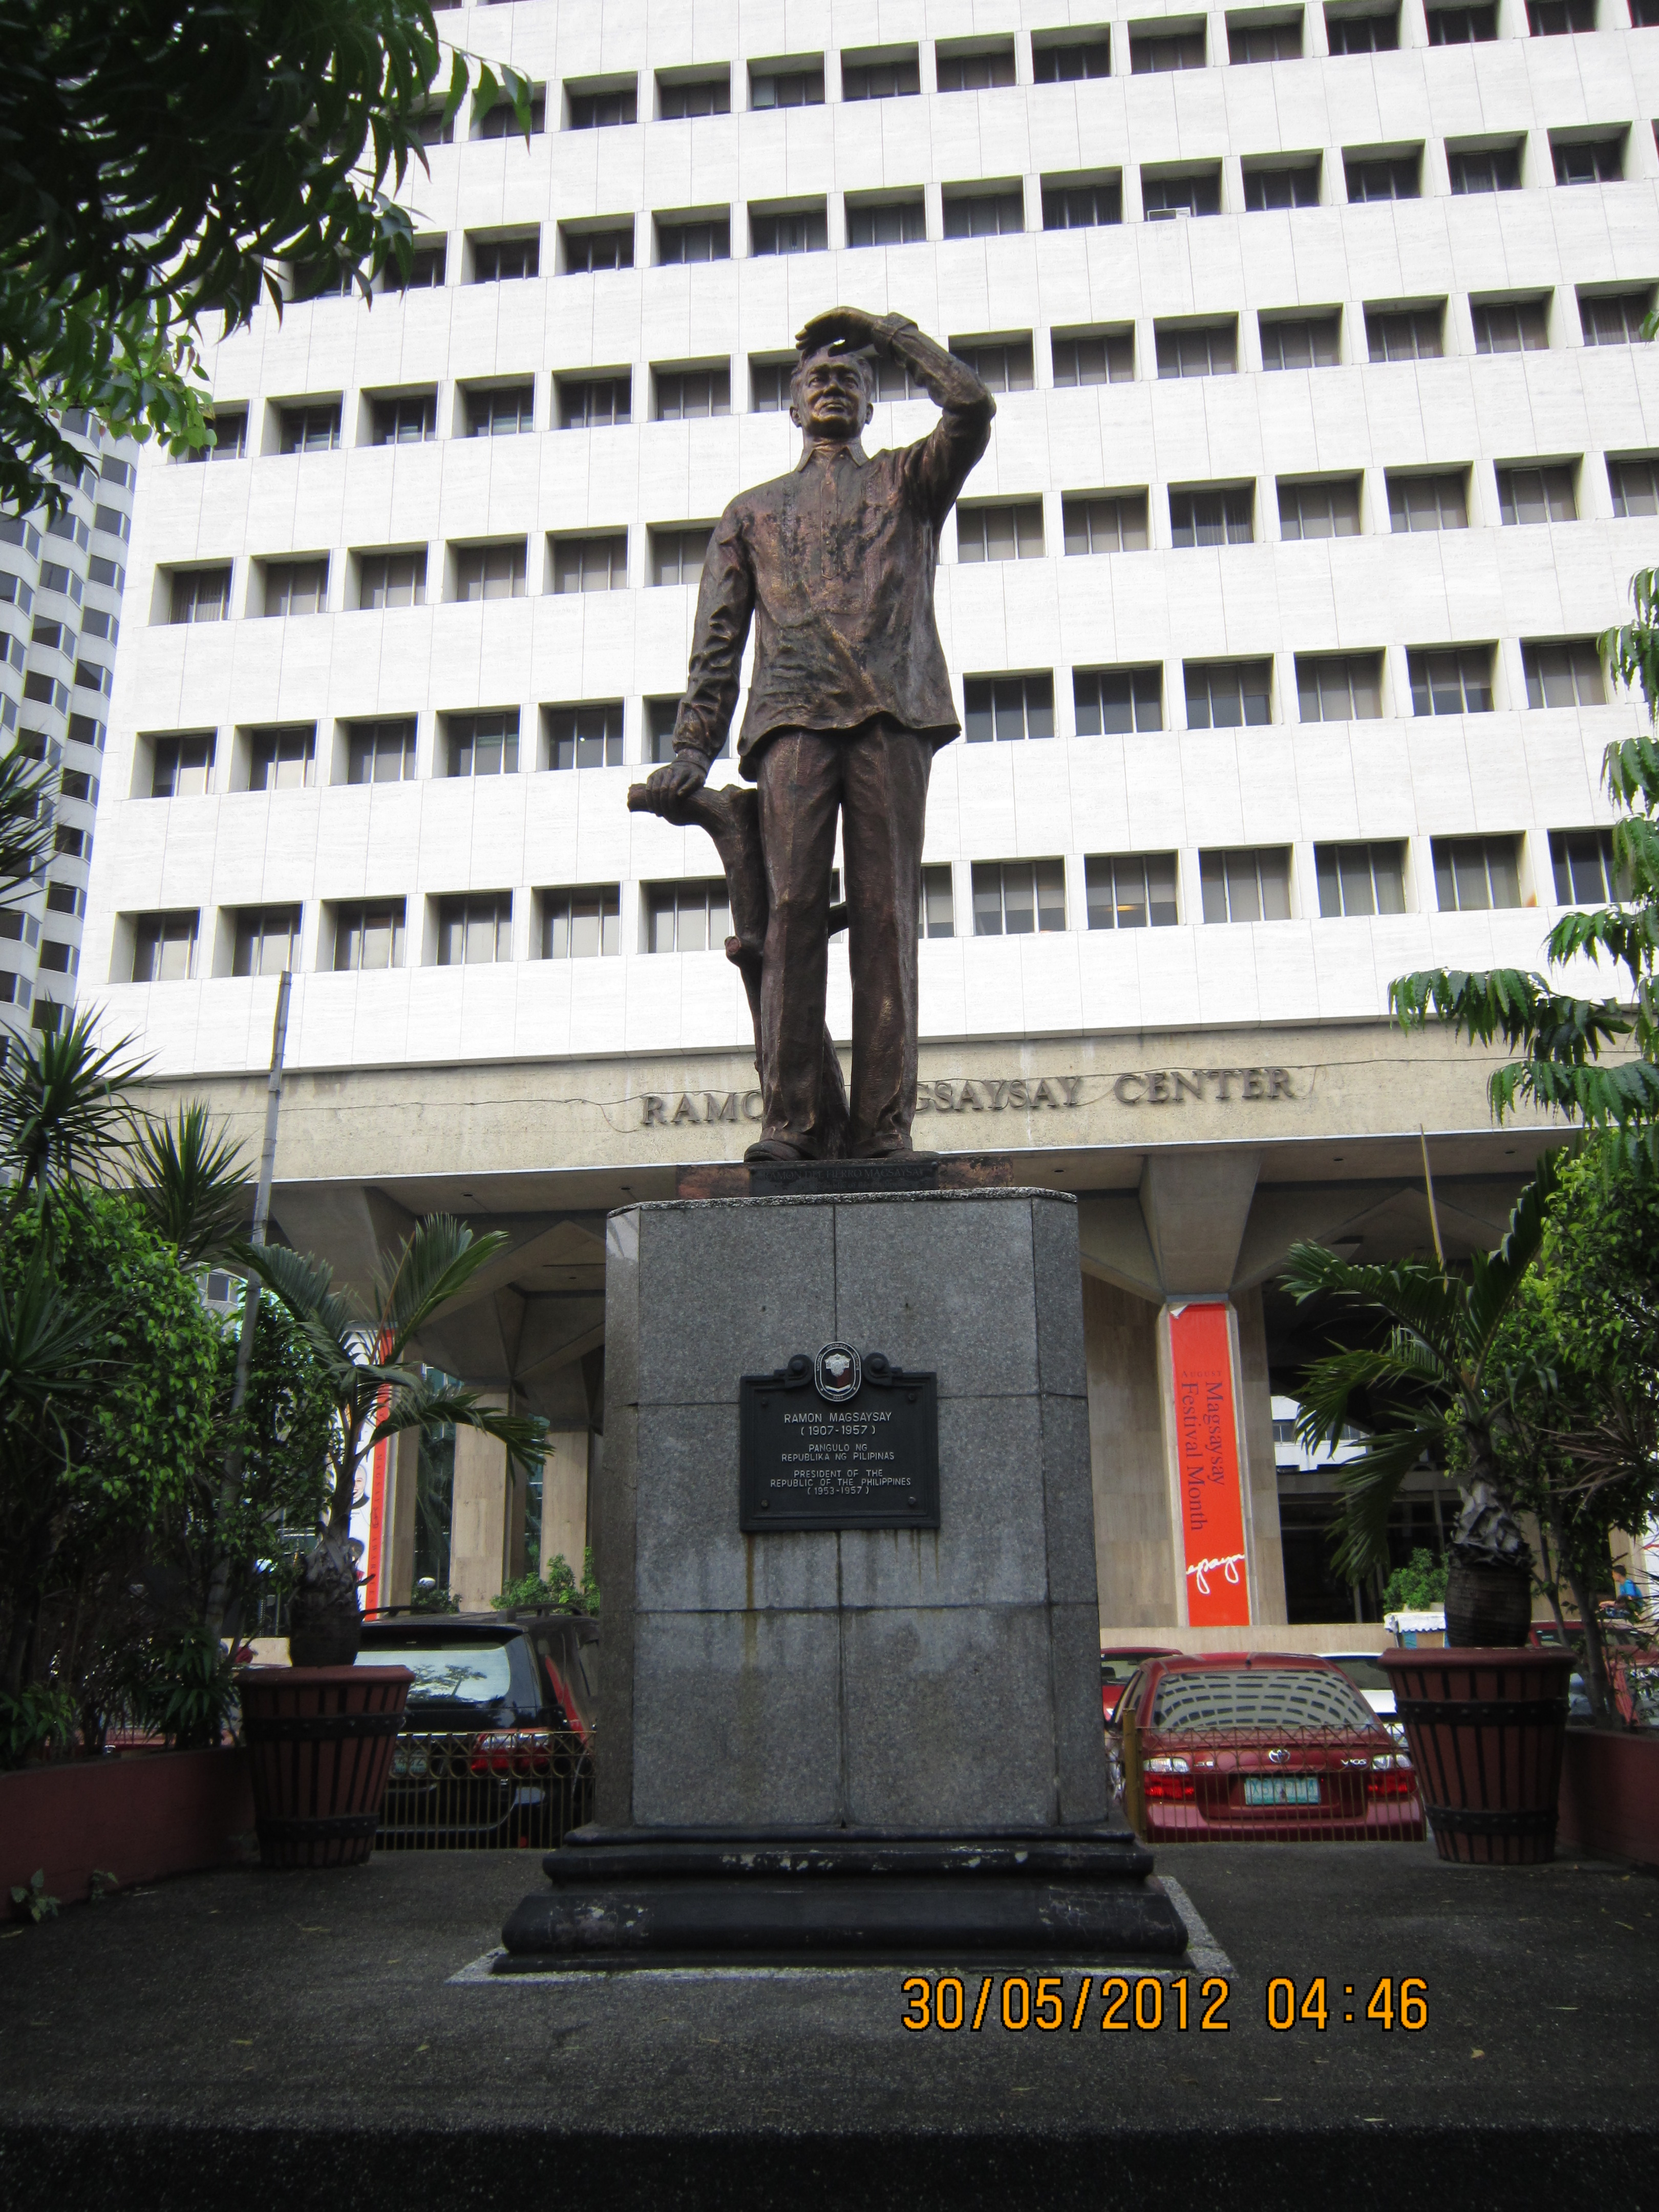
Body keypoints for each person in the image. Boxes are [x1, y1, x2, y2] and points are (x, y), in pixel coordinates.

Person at [645, 306, 995, 1162]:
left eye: (850, 380)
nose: (833, 388)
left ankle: (883, 1129)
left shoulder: (910, 483)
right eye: (816, 382)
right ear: (793, 409)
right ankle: (791, 1122)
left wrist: (890, 333)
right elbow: (718, 643)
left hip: (892, 716)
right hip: (792, 722)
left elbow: (973, 407)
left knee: (886, 920)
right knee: (794, 913)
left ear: (873, 406)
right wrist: (693, 748)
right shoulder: (753, 512)